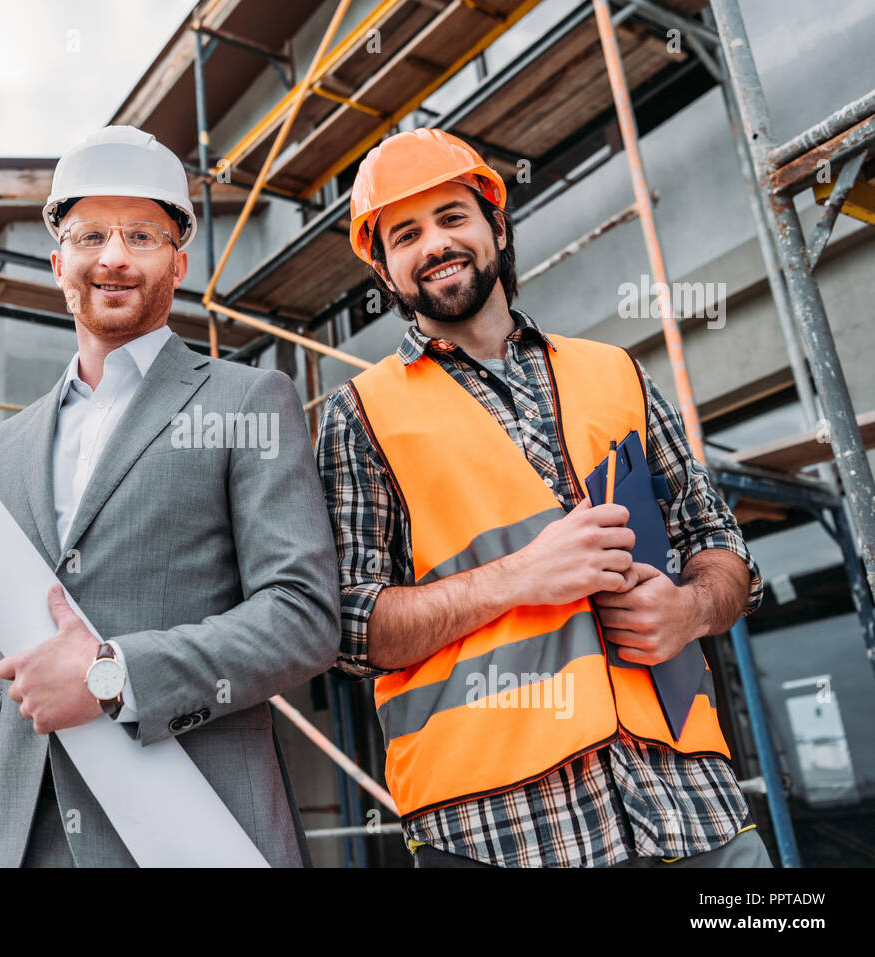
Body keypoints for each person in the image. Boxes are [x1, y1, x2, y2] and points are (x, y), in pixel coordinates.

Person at [316, 128, 770, 868]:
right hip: (500, 831)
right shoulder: (358, 414)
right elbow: (348, 627)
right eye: (406, 233)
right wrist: (521, 576)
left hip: (695, 809)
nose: (435, 243)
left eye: (453, 217)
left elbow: (722, 546)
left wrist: (689, 608)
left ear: (496, 224)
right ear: (383, 266)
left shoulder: (615, 372)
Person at [0, 126, 340, 867]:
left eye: (142, 234)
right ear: (57, 260)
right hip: (19, 843)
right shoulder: (8, 446)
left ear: (179, 259)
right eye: (90, 234)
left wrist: (112, 676)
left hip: (194, 831)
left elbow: (301, 615)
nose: (113, 257)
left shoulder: (249, 399)